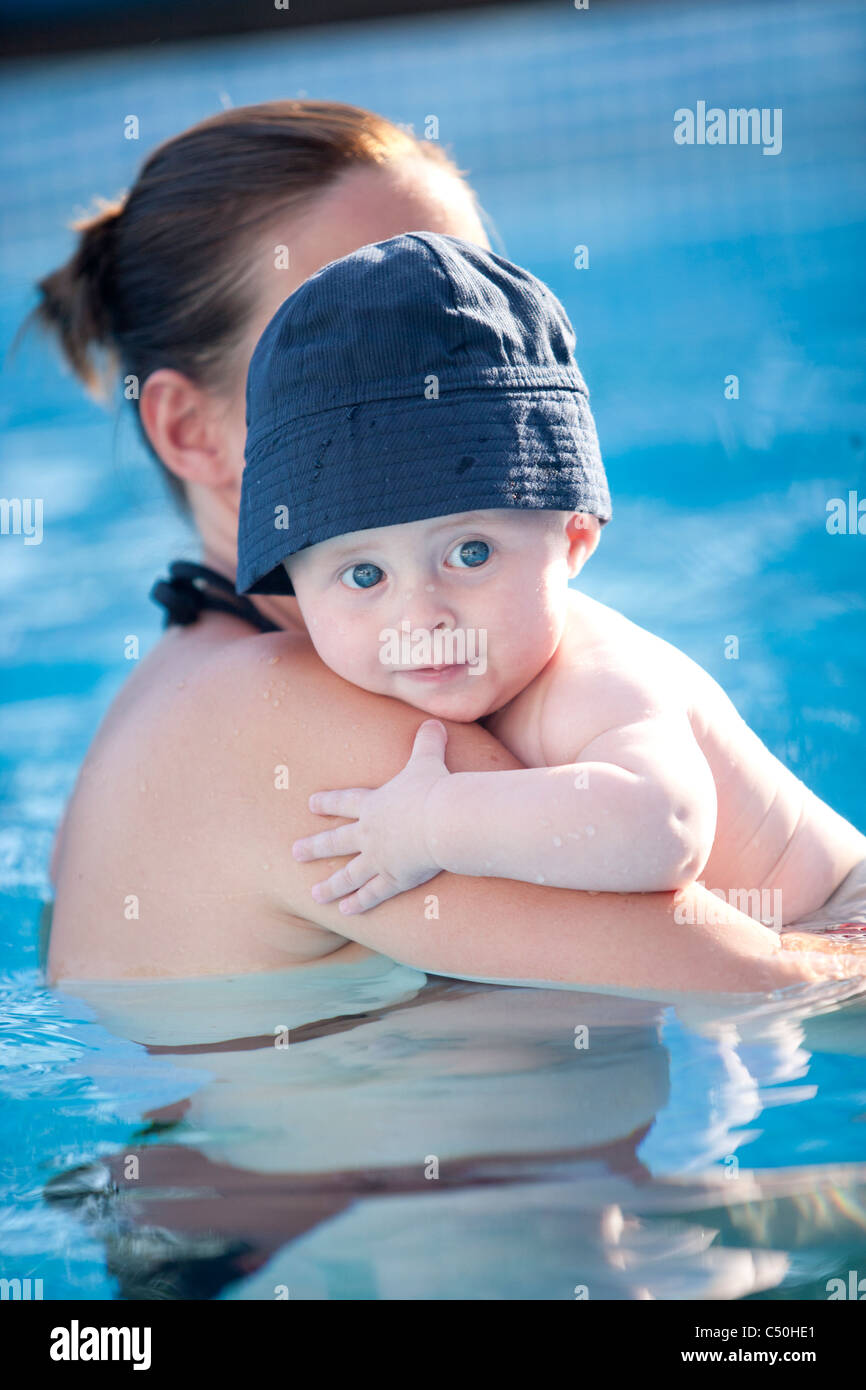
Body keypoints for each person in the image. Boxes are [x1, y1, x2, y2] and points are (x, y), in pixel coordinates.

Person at [30, 100, 861, 991]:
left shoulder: (214, 685)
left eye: (467, 301)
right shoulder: (293, 728)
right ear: (191, 429)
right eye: (346, 326)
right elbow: (790, 989)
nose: (434, 366)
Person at [231, 230, 866, 927]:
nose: (422, 618)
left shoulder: (594, 680)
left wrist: (435, 823)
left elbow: (666, 829)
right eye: (363, 573)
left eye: (471, 553)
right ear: (291, 583)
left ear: (573, 539)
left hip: (841, 919)